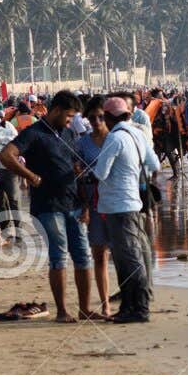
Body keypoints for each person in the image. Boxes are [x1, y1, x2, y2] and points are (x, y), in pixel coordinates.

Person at [1, 91, 95, 320]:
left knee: (83, 256)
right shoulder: (34, 133)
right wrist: (31, 176)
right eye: (69, 115)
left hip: (73, 202)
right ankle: (62, 311)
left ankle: (85, 309)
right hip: (48, 206)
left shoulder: (68, 133)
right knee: (59, 256)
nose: (71, 121)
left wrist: (86, 204)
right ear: (56, 110)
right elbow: (6, 155)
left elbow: (77, 168)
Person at [90, 96, 160, 323]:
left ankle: (139, 309)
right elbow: (154, 164)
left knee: (128, 259)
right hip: (132, 203)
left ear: (109, 118)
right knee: (129, 256)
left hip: (117, 206)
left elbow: (100, 172)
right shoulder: (137, 134)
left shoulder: (115, 138)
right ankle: (129, 307)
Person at [74, 103, 113, 317]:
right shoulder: (82, 144)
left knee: (123, 254)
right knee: (99, 255)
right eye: (92, 118)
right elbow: (78, 178)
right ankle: (105, 303)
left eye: (100, 117)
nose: (96, 122)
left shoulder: (115, 139)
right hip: (93, 202)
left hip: (115, 201)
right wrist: (85, 207)